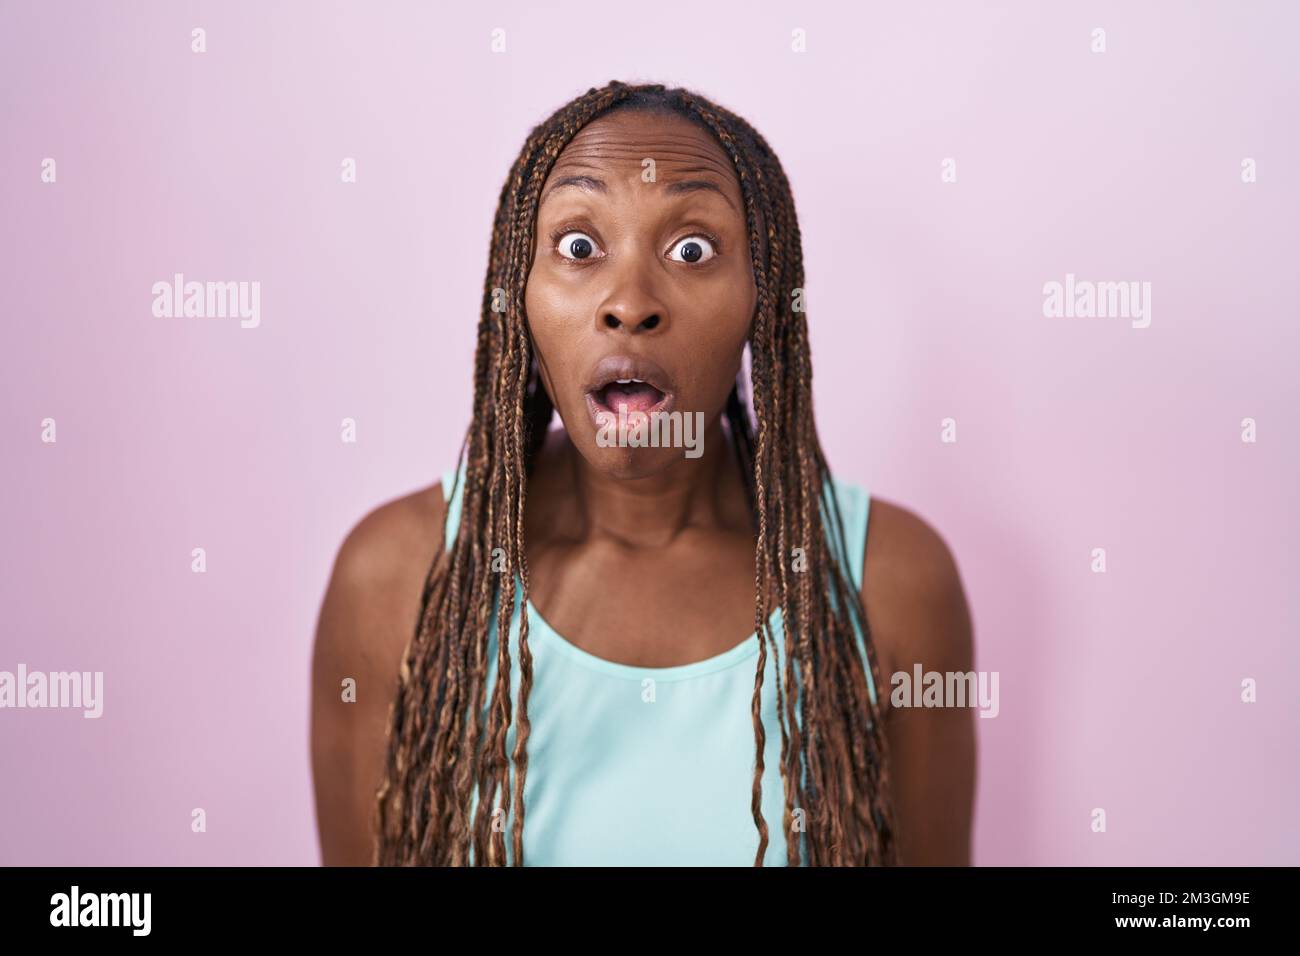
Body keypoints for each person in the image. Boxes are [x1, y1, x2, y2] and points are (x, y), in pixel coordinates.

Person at [311, 81, 975, 866]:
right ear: (516, 296)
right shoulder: (393, 576)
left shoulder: (891, 582)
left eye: (691, 249)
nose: (630, 302)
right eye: (578, 247)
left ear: (763, 302)